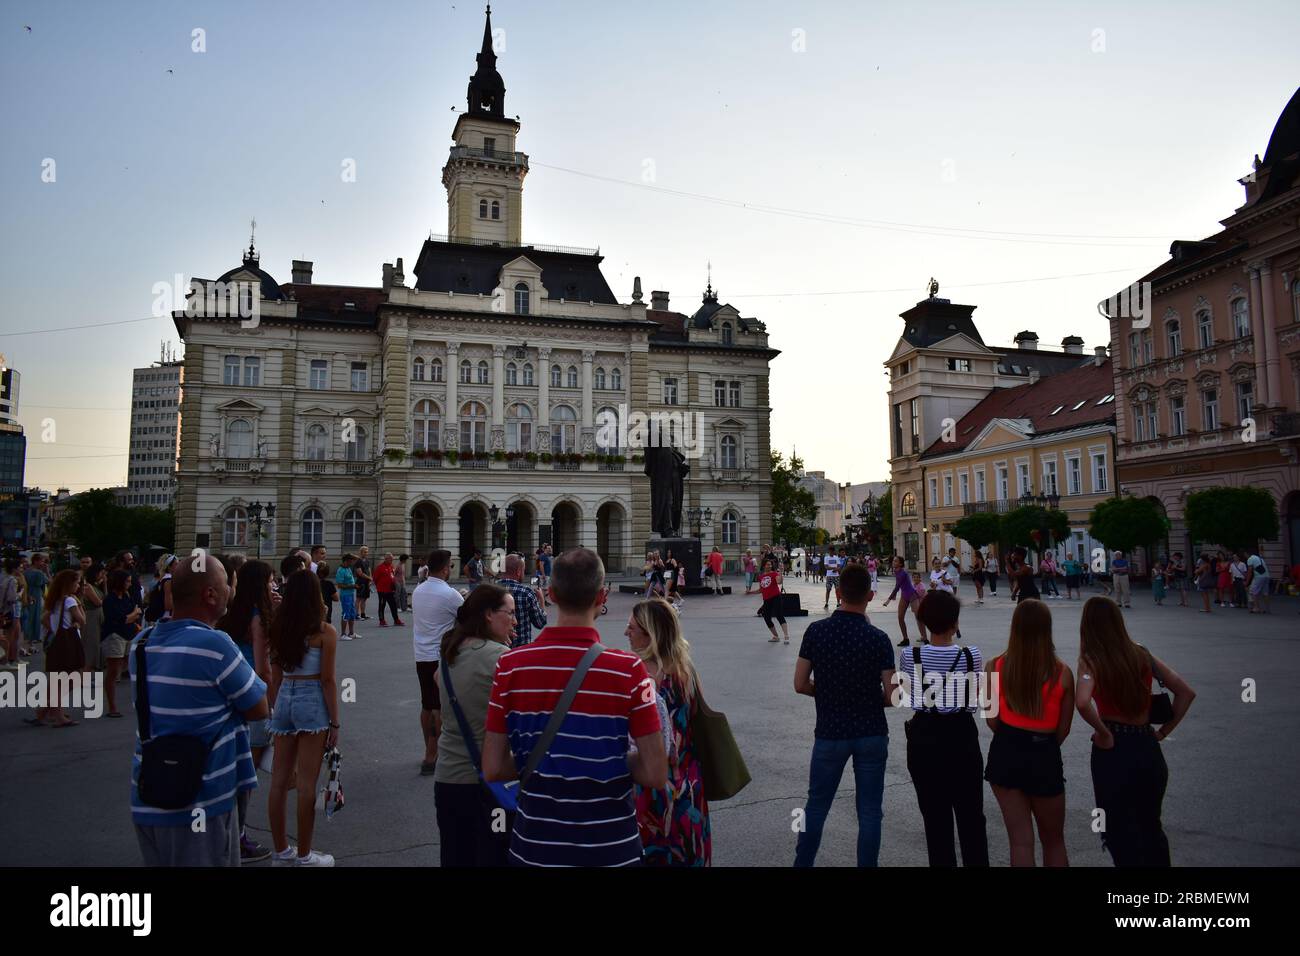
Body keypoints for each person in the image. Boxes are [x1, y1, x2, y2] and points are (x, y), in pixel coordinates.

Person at [483, 548, 666, 866]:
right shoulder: (629, 670)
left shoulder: (510, 666)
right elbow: (654, 772)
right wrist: (601, 758)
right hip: (611, 847)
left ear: (550, 594)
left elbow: (493, 767)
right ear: (602, 595)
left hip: (536, 848)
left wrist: (545, 760)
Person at [129, 559, 269, 867]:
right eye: (226, 585)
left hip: (150, 790)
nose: (231, 591)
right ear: (210, 595)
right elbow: (259, 707)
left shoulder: (141, 644)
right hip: (201, 798)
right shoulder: (214, 644)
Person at [1075, 597, 1195, 867]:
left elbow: (1082, 701)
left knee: (1119, 828)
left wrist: (1103, 732)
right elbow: (1186, 692)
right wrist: (1163, 732)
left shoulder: (1091, 660)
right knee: (1151, 825)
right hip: (1146, 745)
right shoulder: (1141, 653)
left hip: (1114, 749)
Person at [793, 563, 894, 867]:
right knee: (870, 811)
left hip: (830, 733)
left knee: (815, 806)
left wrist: (827, 693)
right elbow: (893, 695)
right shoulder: (879, 639)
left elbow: (799, 684)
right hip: (871, 731)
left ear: (837, 593)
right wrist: (868, 697)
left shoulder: (816, 631)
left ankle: (802, 863)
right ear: (871, 595)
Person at [897, 590, 988, 866]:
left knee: (935, 818)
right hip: (962, 733)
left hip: (925, 734)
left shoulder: (910, 656)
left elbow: (906, 695)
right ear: (955, 623)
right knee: (971, 815)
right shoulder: (971, 655)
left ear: (923, 620)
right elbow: (977, 696)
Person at [983, 599, 1075, 866]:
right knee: (1054, 840)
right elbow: (1064, 729)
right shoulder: (1062, 673)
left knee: (1020, 841)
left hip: (1006, 751)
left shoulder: (993, 666)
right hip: (1043, 751)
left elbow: (991, 721)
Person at [434, 583, 516, 867]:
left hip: (447, 778)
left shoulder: (448, 654)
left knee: (455, 856)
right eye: (510, 613)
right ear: (489, 615)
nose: (515, 621)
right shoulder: (501, 659)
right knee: (493, 856)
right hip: (488, 784)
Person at [628, 598, 711, 866]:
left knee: (653, 852)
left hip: (652, 784)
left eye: (632, 628)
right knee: (685, 851)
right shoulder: (686, 671)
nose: (626, 632)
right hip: (688, 781)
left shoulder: (638, 676)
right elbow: (695, 718)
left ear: (650, 634)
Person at [266, 568, 340, 867]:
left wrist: (276, 710)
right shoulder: (324, 631)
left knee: (280, 780)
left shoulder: (277, 627)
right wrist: (335, 722)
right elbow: (328, 680)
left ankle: (282, 851)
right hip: (311, 700)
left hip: (285, 697)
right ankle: (306, 855)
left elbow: (275, 675)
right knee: (307, 782)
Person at [216, 559, 276, 864]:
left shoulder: (231, 613)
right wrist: (272, 706)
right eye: (269, 581)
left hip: (230, 696)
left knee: (233, 768)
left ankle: (225, 831)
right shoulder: (258, 617)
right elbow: (264, 667)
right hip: (252, 697)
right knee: (246, 773)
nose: (272, 585)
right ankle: (237, 837)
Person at [412, 549, 463, 776]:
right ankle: (431, 756)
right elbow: (466, 617)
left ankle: (428, 749)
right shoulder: (450, 594)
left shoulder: (418, 590)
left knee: (426, 704)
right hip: (439, 657)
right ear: (445, 568)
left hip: (421, 655)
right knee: (439, 707)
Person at [34, 570, 86, 727]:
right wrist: (79, 604)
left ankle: (46, 710)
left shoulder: (56, 600)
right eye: (76, 583)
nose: (78, 586)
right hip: (69, 643)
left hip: (58, 642)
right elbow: (82, 619)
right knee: (71, 679)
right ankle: (56, 714)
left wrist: (55, 629)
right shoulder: (70, 600)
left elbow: (44, 618)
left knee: (60, 680)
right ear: (69, 584)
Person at [100, 568, 141, 717]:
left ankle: (114, 705)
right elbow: (124, 618)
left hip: (127, 634)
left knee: (123, 667)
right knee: (113, 671)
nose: (130, 584)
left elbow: (133, 614)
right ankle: (112, 706)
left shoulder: (126, 596)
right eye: (127, 581)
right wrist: (133, 615)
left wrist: (132, 616)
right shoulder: (110, 600)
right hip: (114, 636)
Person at [497, 553, 547, 647]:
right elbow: (540, 623)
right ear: (519, 572)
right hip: (520, 650)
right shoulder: (526, 593)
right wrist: (541, 600)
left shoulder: (489, 589)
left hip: (495, 650)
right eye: (523, 570)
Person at [883, 556, 928, 648]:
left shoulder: (903, 573)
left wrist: (889, 599)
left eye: (896, 561)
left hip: (912, 595)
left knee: (918, 617)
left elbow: (897, 587)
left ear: (900, 564)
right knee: (900, 617)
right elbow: (897, 584)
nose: (893, 562)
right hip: (904, 595)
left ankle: (925, 638)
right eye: (893, 561)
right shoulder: (896, 571)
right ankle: (905, 639)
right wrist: (894, 596)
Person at [79, 562, 105, 674]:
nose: (102, 575)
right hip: (91, 618)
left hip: (97, 617)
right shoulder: (88, 586)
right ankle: (84, 675)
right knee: (90, 647)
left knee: (94, 646)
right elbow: (98, 602)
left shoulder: (95, 585)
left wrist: (105, 584)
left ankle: (87, 674)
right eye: (100, 573)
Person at [758, 555, 790, 644]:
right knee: (766, 618)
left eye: (770, 565)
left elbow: (779, 582)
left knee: (779, 615)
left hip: (776, 597)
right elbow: (761, 589)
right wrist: (750, 592)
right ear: (764, 566)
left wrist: (781, 572)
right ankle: (776, 636)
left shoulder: (774, 573)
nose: (769, 566)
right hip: (766, 599)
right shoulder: (760, 577)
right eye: (767, 565)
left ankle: (786, 635)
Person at [22, 553, 50, 654]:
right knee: (35, 619)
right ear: (36, 561)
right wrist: (46, 571)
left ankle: (29, 644)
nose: (43, 563)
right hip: (36, 596)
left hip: (28, 595)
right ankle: (30, 643)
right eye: (42, 561)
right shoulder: (39, 573)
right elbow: (49, 581)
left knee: (29, 618)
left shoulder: (26, 572)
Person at [0, 558, 21, 666]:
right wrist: (20, 594)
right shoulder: (13, 580)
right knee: (8, 637)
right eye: (19, 568)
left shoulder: (2, 577)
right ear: (14, 569)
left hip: (1, 609)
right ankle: (4, 661)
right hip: (8, 610)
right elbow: (12, 598)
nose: (21, 570)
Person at [374, 553, 404, 627]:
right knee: (382, 605)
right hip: (382, 591)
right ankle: (382, 620)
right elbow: (375, 579)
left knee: (393, 605)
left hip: (390, 590)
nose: (392, 560)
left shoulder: (391, 566)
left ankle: (396, 620)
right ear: (386, 559)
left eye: (392, 559)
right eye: (390, 559)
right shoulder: (380, 568)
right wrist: (379, 586)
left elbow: (392, 576)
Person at [335, 554, 358, 640]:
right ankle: (343, 634)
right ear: (346, 561)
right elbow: (340, 585)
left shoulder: (348, 568)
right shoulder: (340, 570)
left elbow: (357, 558)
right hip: (345, 595)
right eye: (351, 561)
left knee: (352, 613)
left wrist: (353, 586)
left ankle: (351, 633)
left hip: (351, 594)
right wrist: (353, 586)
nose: (352, 562)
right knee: (345, 614)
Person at [353, 546, 373, 619]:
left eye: (367, 552)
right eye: (365, 552)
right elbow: (360, 573)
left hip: (366, 582)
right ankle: (356, 615)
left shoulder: (367, 560)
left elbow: (369, 569)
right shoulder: (358, 561)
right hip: (361, 582)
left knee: (364, 599)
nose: (366, 553)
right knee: (359, 598)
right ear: (361, 552)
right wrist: (369, 578)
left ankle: (363, 614)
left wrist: (370, 579)